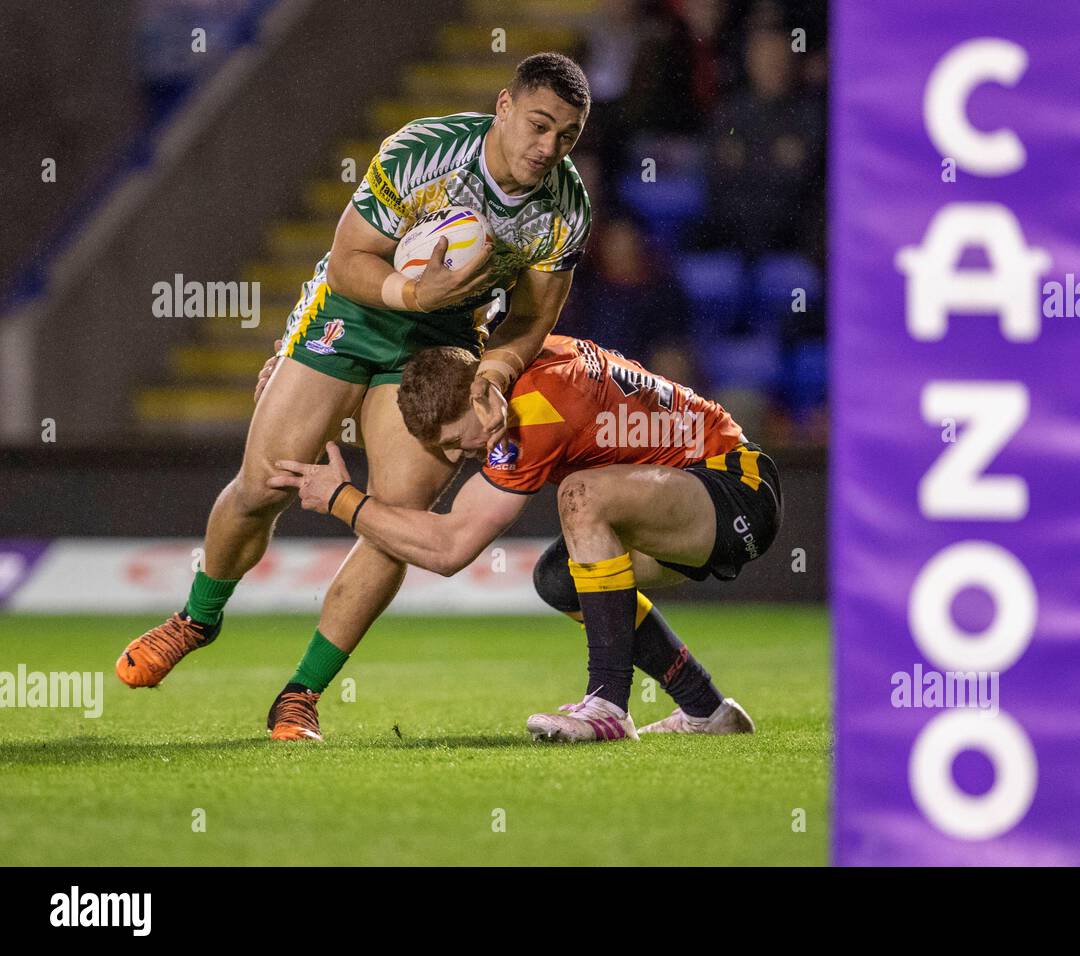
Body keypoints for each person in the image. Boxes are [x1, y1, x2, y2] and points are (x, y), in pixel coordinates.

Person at [114, 55, 594, 745]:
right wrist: (411, 293)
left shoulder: (565, 206)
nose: (548, 149)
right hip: (357, 310)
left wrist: (493, 373)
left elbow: (531, 320)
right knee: (263, 483)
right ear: (504, 107)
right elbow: (347, 261)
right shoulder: (422, 153)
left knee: (395, 517)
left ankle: (300, 695)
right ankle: (197, 617)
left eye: (568, 137)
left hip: (445, 339)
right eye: (540, 125)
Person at [267, 334, 782, 742]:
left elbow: (449, 549)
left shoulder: (536, 406)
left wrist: (342, 500)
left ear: (474, 396)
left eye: (453, 440)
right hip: (695, 496)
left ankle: (607, 705)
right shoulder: (507, 375)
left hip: (737, 490)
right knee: (560, 579)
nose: (454, 456)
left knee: (581, 496)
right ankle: (707, 709)